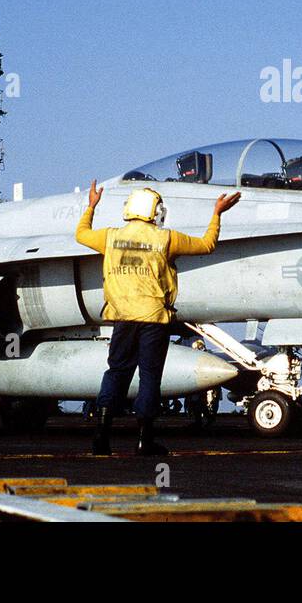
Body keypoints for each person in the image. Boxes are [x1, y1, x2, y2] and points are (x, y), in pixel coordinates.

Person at [76, 181, 241, 457]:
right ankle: (145, 441)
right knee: (150, 376)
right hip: (154, 319)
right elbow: (207, 245)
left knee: (116, 372)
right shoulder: (166, 238)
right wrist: (217, 214)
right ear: (157, 211)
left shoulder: (110, 237)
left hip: (122, 318)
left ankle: (101, 438)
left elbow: (81, 234)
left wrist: (91, 206)